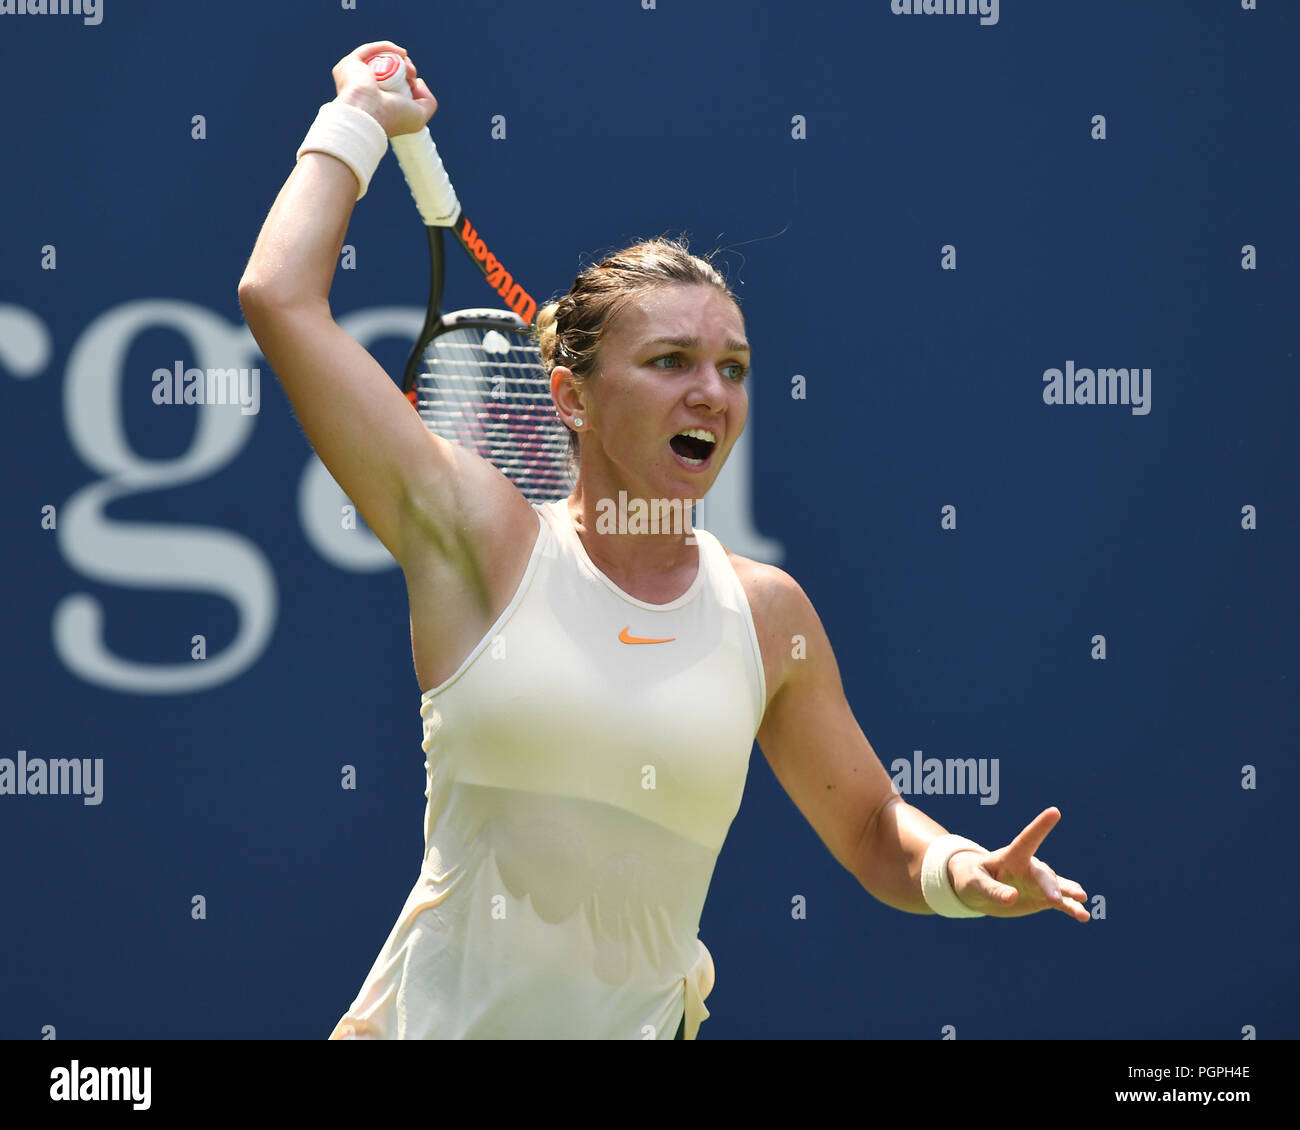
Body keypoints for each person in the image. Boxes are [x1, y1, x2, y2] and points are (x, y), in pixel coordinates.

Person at [237, 41, 1089, 1041]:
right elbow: (279, 296)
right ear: (572, 398)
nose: (711, 393)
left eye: (732, 366)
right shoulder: (480, 539)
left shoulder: (767, 615)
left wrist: (958, 870)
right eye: (670, 360)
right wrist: (357, 120)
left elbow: (868, 827)